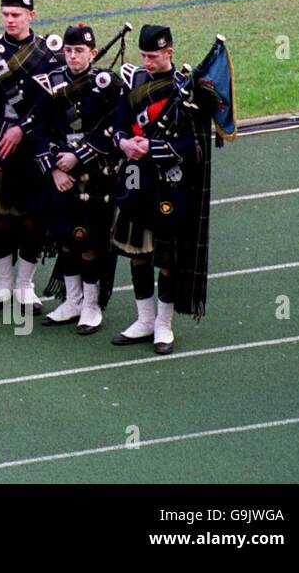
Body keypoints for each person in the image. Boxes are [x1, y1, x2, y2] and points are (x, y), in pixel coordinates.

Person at [109, 25, 212, 354]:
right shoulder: (135, 82)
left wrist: (151, 148)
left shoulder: (187, 90)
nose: (147, 61)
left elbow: (194, 145)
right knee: (137, 253)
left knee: (168, 259)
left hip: (168, 183)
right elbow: (118, 124)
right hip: (135, 177)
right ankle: (144, 319)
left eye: (153, 56)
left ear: (169, 52)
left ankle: (164, 325)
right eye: (143, 56)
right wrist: (125, 143)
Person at [0, 0, 61, 312]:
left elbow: (52, 104)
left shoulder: (47, 55)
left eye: (16, 15)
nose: (10, 20)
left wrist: (23, 128)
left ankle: (25, 284)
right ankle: (4, 282)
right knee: (0, 218)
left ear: (31, 15)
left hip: (33, 146)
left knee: (32, 219)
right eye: (5, 14)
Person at [28, 24, 120, 334]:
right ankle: (72, 300)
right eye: (68, 50)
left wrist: (80, 157)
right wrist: (53, 169)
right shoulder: (48, 84)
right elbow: (37, 130)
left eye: (79, 51)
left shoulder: (106, 85)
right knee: (65, 239)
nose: (73, 56)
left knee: (90, 242)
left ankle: (92, 305)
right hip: (59, 175)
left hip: (94, 178)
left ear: (93, 53)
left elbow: (115, 130)